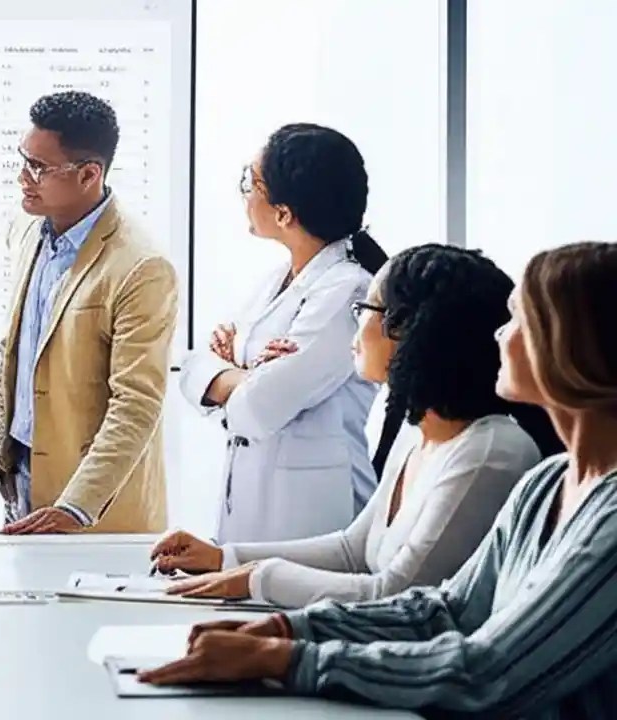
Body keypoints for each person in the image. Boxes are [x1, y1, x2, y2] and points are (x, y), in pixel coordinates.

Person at [136, 241, 617, 719]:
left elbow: (488, 672)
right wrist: (290, 628)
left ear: (576, 346)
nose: (498, 335)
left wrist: (288, 657)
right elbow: (444, 611)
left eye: (518, 319)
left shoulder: (601, 511)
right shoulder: (548, 482)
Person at [149, 244, 555, 608]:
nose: (356, 325)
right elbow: (352, 551)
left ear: (409, 330)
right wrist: (224, 558)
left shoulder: (490, 452)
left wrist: (256, 579)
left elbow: (397, 594)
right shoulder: (421, 433)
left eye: (366, 309)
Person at [179, 123, 389, 544]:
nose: (243, 194)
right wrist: (252, 373)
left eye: (250, 182)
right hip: (254, 503)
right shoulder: (277, 279)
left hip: (315, 516)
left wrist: (236, 373)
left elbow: (260, 408)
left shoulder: (347, 289)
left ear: (284, 213)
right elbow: (191, 368)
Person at [0, 90, 178, 534]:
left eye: (38, 167)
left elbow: (136, 403)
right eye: (23, 159)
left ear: (90, 173)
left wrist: (76, 507)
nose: (22, 177)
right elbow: (13, 348)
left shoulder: (143, 267)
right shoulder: (26, 229)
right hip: (23, 479)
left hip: (96, 506)